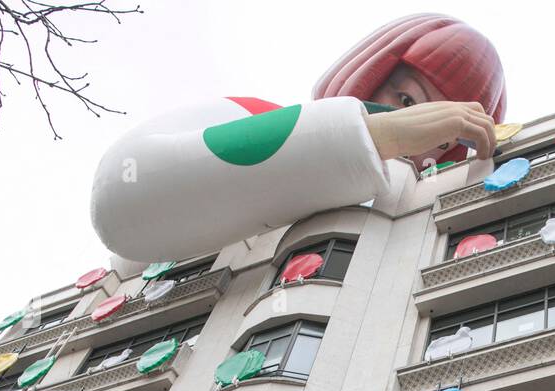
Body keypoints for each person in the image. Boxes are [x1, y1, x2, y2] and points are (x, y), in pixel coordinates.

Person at [90, 13, 507, 263]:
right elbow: (118, 197)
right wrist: (376, 133)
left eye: (440, 131)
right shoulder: (258, 116)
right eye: (406, 99)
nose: (421, 128)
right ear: (373, 76)